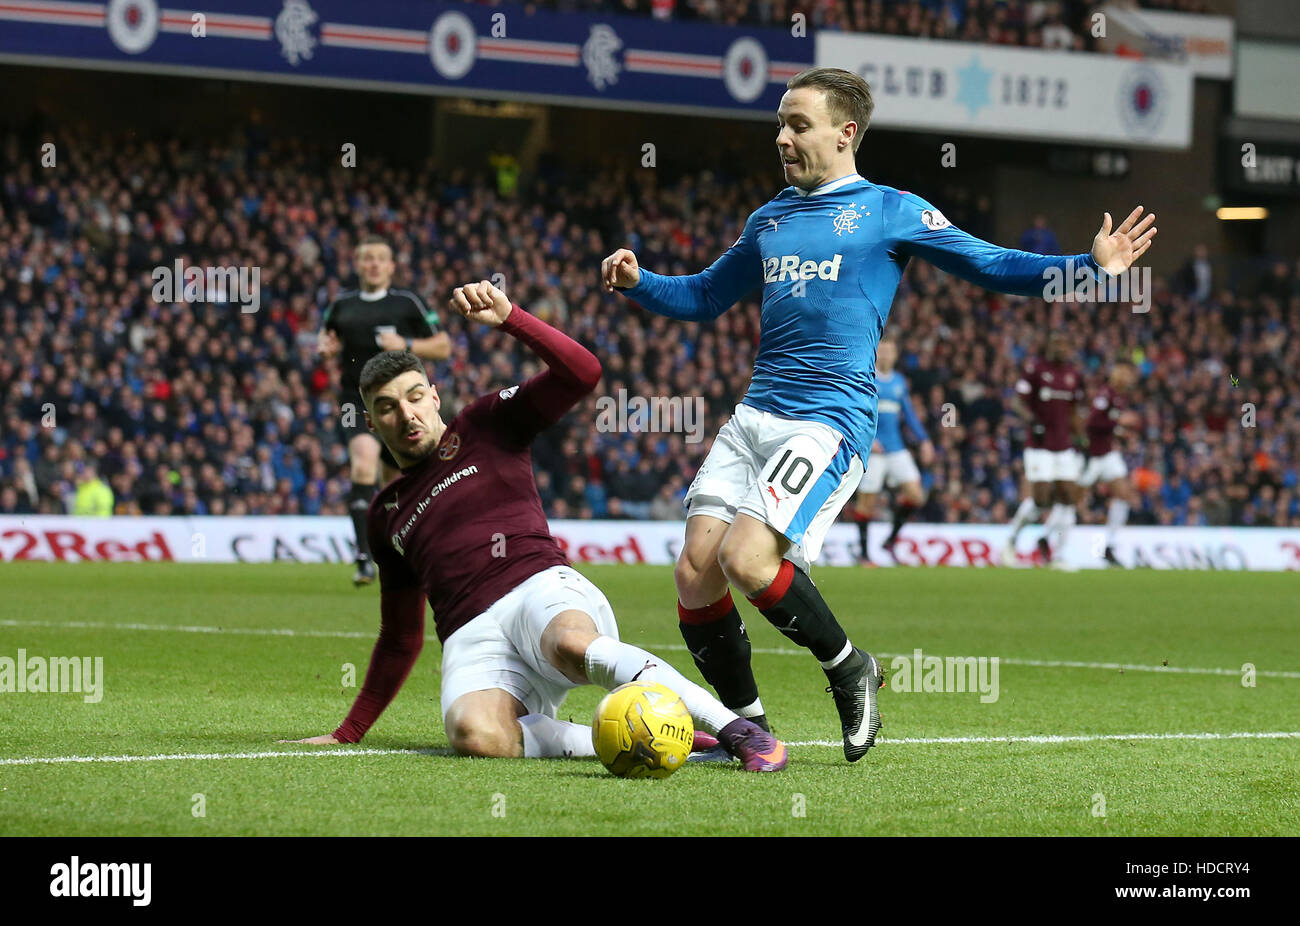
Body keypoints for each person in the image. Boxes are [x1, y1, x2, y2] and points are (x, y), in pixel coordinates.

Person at [600, 66, 1155, 760]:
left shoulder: (889, 210)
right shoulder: (769, 219)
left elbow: (991, 265)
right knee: (694, 571)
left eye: (798, 124)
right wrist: (639, 282)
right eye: (779, 123)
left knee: (746, 558)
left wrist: (1089, 264)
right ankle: (749, 730)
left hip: (828, 420)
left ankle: (849, 667)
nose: (781, 137)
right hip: (755, 415)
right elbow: (705, 297)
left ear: (845, 132)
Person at [287, 281, 787, 772]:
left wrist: (511, 319)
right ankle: (673, 739)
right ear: (371, 424)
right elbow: (400, 638)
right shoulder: (384, 514)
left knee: (570, 645)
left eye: (415, 396)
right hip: (469, 633)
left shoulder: (485, 424)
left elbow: (583, 372)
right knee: (475, 735)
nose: (407, 414)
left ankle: (737, 730)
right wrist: (348, 731)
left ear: (435, 396)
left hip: (538, 588)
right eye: (387, 408)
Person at [317, 235, 451, 586]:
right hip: (355, 399)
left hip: (401, 400)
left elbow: (443, 346)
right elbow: (325, 339)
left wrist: (406, 344)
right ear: (358, 264)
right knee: (363, 460)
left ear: (391, 266)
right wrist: (325, 349)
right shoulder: (341, 304)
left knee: (397, 484)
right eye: (367, 258)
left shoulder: (408, 302)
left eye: (380, 258)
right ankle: (363, 558)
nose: (373, 264)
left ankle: (403, 554)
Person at [1001, 332, 1086, 570]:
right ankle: (1010, 542)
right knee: (1041, 499)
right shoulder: (1035, 369)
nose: (1062, 348)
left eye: (1065, 344)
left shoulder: (1074, 375)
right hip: (1039, 445)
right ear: (1049, 345)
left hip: (1064, 445)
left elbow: (1076, 409)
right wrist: (1032, 420)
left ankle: (1059, 555)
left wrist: (1080, 436)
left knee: (1069, 498)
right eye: (1057, 342)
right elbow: (1017, 401)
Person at [851, 338, 934, 565]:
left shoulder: (899, 382)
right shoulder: (866, 378)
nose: (887, 355)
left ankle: (890, 540)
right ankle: (864, 555)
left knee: (916, 495)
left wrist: (924, 440)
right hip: (874, 451)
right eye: (883, 351)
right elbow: (855, 414)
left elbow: (909, 414)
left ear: (896, 355)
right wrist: (868, 440)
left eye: (891, 351)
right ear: (877, 354)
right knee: (867, 503)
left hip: (897, 448)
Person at [1079, 362, 1139, 566]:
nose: (1131, 380)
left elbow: (1108, 425)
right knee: (1071, 499)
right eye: (1128, 375)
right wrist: (1119, 423)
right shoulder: (1106, 394)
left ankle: (1109, 545)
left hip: (1108, 454)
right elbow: (1092, 423)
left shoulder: (1120, 398)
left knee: (1124, 494)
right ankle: (1048, 536)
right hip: (1093, 456)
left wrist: (1120, 432)